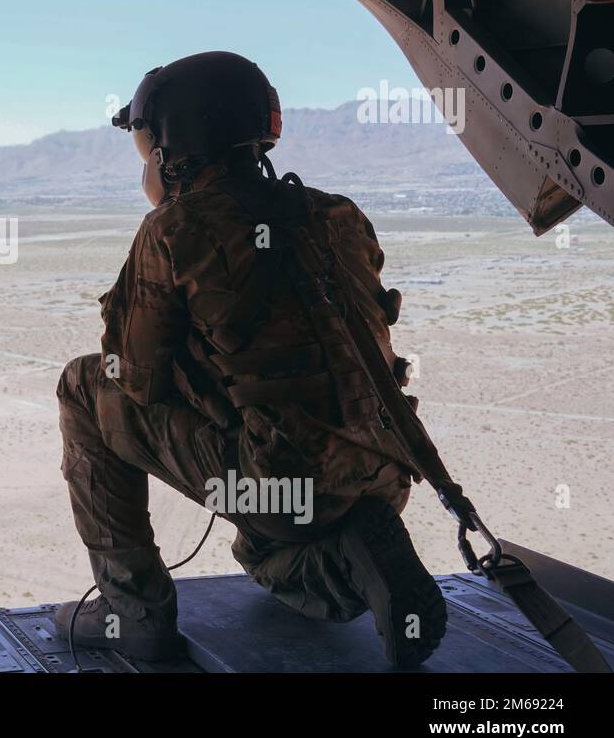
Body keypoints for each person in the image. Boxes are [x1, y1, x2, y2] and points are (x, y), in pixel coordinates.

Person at [53, 51, 446, 667]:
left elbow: (136, 379)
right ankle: (353, 553)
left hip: (283, 487)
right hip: (384, 477)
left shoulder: (175, 229)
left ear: (170, 148)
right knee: (261, 557)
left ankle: (135, 615)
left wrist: (160, 224)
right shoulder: (338, 214)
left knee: (82, 385)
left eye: (145, 147)